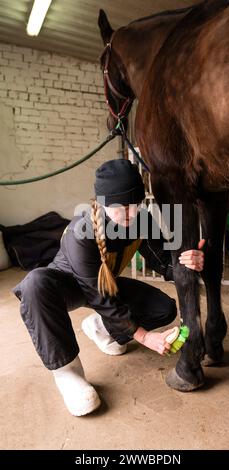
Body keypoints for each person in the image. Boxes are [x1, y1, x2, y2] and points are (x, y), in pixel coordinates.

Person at [13, 159, 204, 417]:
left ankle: (100, 328)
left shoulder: (141, 220)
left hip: (107, 284)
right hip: (70, 285)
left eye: (134, 206)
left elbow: (163, 261)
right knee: (35, 284)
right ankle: (68, 374)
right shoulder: (82, 230)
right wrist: (144, 336)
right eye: (119, 208)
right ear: (101, 203)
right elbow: (97, 295)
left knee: (163, 308)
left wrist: (189, 261)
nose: (129, 214)